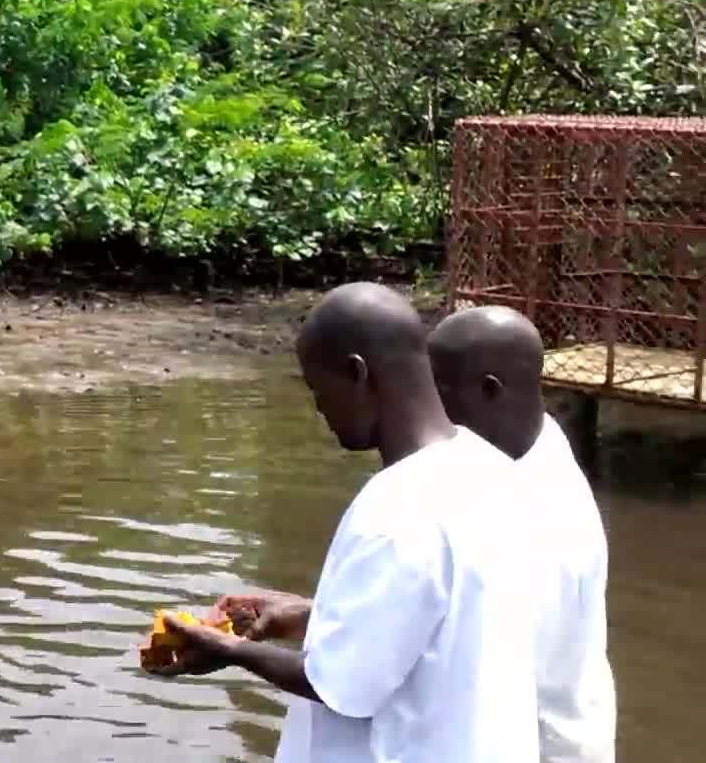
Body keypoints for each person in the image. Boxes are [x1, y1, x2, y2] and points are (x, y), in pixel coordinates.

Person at [150, 282, 539, 762]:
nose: (320, 412)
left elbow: (340, 683)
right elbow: (437, 625)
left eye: (319, 391)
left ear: (358, 374)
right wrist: (305, 614)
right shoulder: (491, 471)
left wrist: (226, 649)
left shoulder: (400, 510)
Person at [429, 304, 616, 762]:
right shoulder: (533, 444)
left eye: (438, 394)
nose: (428, 411)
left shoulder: (538, 517)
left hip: (543, 746)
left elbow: (479, 657)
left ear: (488, 391)